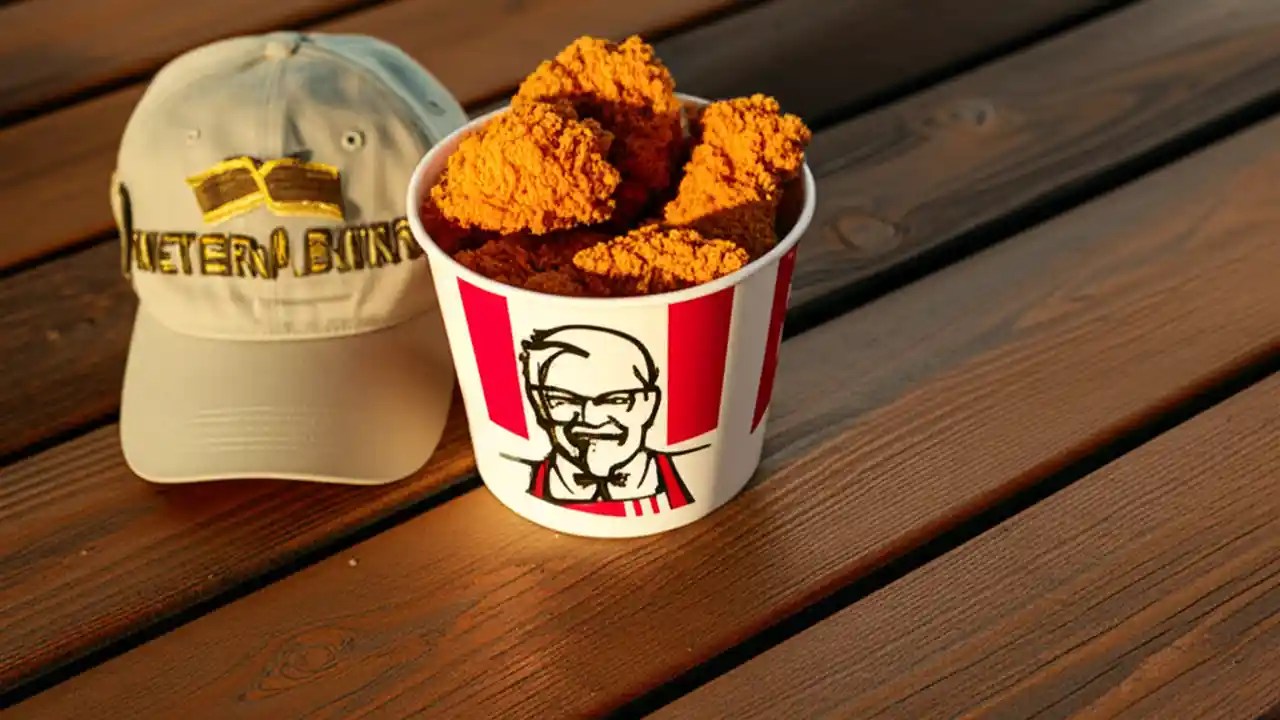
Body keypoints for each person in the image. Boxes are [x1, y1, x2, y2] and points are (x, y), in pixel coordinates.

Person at [519, 325, 695, 516]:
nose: (591, 419)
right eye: (564, 400)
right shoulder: (515, 476)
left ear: (649, 404)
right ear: (538, 404)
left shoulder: (692, 472)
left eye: (616, 400)